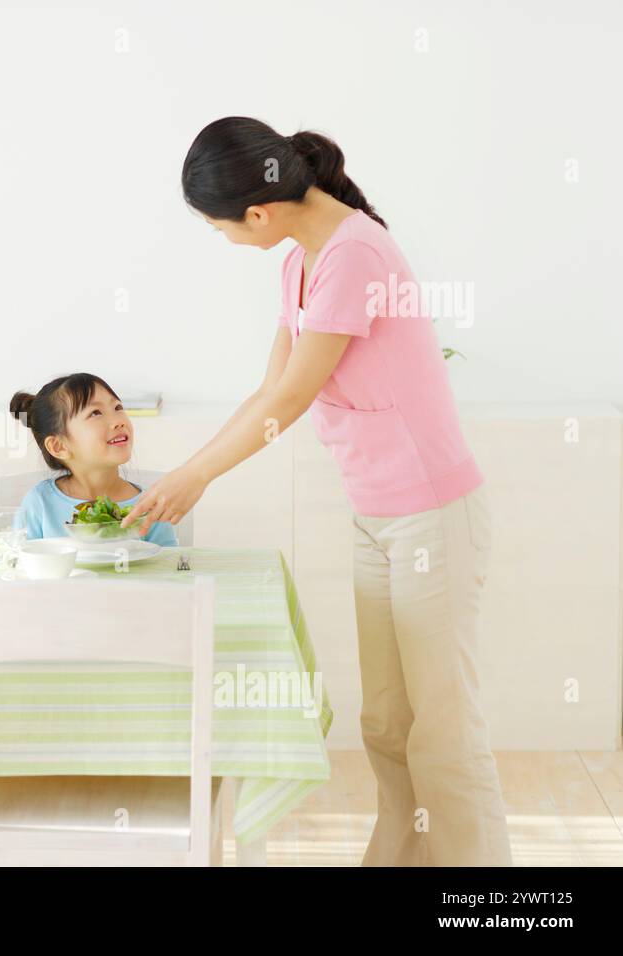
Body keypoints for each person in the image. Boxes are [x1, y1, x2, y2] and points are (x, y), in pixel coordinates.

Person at [124, 117, 511, 866]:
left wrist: (196, 476)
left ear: (258, 213)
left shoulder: (353, 252)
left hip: (432, 516)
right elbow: (267, 389)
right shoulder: (298, 260)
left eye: (217, 226)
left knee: (443, 730)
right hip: (380, 515)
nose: (222, 236)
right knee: (388, 723)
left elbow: (291, 400)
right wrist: (183, 474)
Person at [9, 373, 177, 547]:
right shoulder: (40, 502)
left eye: (118, 407)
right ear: (59, 446)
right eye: (95, 413)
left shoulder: (148, 505)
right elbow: (19, 563)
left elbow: (169, 565)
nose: (118, 421)